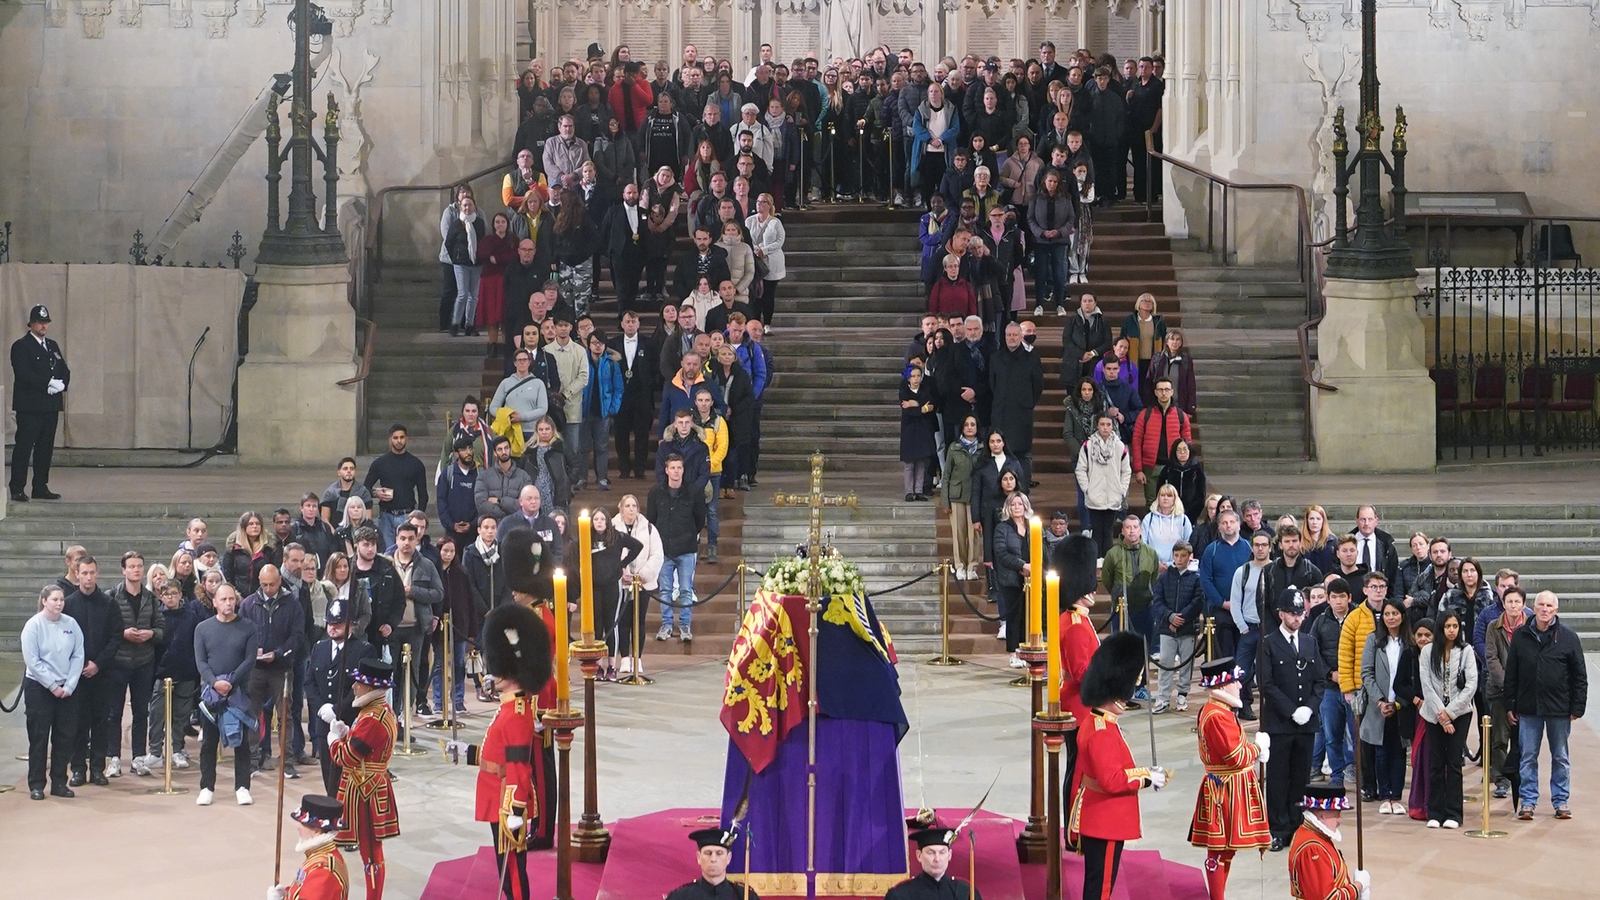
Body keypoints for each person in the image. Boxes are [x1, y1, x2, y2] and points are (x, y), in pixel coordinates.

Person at [444, 603, 553, 900]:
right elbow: (498, 756)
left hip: (507, 802)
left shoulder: (516, 712)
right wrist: (468, 752)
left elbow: (519, 766)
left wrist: (516, 810)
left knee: (513, 873)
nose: (493, 676)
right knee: (506, 868)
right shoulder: (508, 706)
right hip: (498, 796)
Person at [1069, 631, 1167, 900]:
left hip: (1101, 818)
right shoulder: (1101, 730)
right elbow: (1112, 780)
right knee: (1100, 890)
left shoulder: (1098, 720)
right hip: (1106, 819)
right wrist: (1146, 777)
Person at [1188, 658, 1271, 900]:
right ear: (1223, 686)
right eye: (1234, 680)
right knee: (1219, 850)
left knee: (1226, 849)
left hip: (1229, 787)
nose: (1239, 684)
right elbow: (1236, 757)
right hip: (1225, 790)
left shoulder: (1219, 709)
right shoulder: (1217, 715)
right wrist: (1258, 749)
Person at [1504, 590, 1587, 821]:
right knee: (1528, 756)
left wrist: (1577, 707)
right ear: (1534, 606)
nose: (1544, 609)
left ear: (1556, 610)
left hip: (1559, 709)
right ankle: (1528, 801)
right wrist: (1510, 703)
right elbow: (1512, 673)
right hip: (1529, 708)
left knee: (1560, 756)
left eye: (1549, 606)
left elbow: (1579, 675)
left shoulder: (1569, 637)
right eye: (1541, 605)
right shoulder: (1521, 636)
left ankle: (1561, 801)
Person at [327, 657, 400, 900]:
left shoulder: (372, 719)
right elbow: (365, 745)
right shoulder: (378, 711)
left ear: (369, 687)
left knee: (370, 852)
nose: (354, 687)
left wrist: (334, 740)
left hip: (363, 790)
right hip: (369, 785)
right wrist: (348, 733)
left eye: (358, 683)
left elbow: (346, 757)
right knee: (369, 850)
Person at [1258, 588, 1324, 851]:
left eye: (1301, 614)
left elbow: (1319, 681)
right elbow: (1266, 684)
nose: (1298, 619)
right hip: (1280, 724)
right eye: (1293, 614)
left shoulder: (1309, 642)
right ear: (1281, 614)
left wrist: (1309, 708)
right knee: (1277, 778)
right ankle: (1277, 828)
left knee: (1301, 778)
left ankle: (1297, 827)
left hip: (1306, 724)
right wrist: (1290, 710)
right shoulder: (1268, 643)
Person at [194, 584, 259, 806]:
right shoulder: (202, 628)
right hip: (212, 694)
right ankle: (206, 787)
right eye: (223, 599)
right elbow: (201, 662)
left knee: (241, 742)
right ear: (214, 602)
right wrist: (215, 683)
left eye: (231, 599)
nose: (228, 603)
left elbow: (249, 660)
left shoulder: (248, 627)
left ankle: (242, 786)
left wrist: (230, 682)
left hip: (238, 691)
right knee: (208, 743)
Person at [62, 555, 123, 787]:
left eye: (92, 573)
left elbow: (116, 636)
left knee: (100, 721)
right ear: (77, 574)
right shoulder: (68, 604)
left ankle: (98, 769)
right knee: (78, 722)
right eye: (83, 573)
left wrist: (98, 663)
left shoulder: (109, 603)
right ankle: (78, 768)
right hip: (75, 675)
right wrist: (78, 666)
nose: (88, 577)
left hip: (102, 672)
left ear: (97, 573)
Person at [1416, 610, 1477, 828]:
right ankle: (1435, 812)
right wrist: (1441, 716)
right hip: (1433, 715)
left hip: (1459, 714)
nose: (1451, 630)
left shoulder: (1466, 650)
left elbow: (1471, 685)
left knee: (1453, 763)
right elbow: (1427, 686)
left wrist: (1450, 713)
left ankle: (1454, 813)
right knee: (1435, 764)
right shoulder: (1427, 652)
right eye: (1447, 627)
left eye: (1455, 626)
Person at [22, 583, 83, 800]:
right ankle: (37, 784)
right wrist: (52, 686)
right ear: (44, 601)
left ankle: (59, 782)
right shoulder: (33, 626)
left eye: (62, 600)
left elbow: (78, 655)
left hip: (66, 690)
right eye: (55, 599)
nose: (59, 603)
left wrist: (69, 686)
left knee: (64, 737)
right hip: (39, 688)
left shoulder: (71, 624)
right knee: (39, 737)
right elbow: (33, 661)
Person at [306, 599, 372, 795]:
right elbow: (309, 683)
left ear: (350, 624)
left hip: (349, 723)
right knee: (329, 773)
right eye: (330, 623)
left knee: (349, 776)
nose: (333, 628)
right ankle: (333, 812)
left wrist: (337, 710)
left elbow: (362, 690)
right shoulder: (320, 648)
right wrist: (321, 708)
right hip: (324, 723)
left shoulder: (363, 650)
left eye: (338, 624)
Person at [1357, 598, 1412, 815]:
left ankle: (1396, 796)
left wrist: (1398, 703)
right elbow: (1366, 673)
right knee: (1380, 752)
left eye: (1395, 613)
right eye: (1387, 614)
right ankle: (1384, 794)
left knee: (1398, 751)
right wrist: (1379, 700)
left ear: (1402, 616)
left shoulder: (1409, 643)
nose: (1391, 617)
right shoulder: (1373, 641)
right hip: (1377, 706)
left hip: (1401, 705)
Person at [9, 304, 69, 502]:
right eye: (40, 322)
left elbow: (63, 370)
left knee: (45, 448)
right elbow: (24, 373)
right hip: (30, 407)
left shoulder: (52, 345)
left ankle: (40, 486)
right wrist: (47, 383)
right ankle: (17, 487)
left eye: (46, 323)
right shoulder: (21, 346)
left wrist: (62, 385)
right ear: (31, 324)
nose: (43, 326)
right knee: (24, 447)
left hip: (50, 406)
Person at [649, 452, 708, 643]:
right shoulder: (655, 492)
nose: (676, 471)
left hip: (686, 549)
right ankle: (666, 624)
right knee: (665, 590)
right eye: (672, 468)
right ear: (666, 470)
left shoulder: (694, 492)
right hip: (664, 550)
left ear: (683, 470)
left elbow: (700, 519)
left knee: (685, 590)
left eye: (679, 468)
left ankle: (685, 625)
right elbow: (651, 519)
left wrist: (689, 534)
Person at [147, 578, 202, 771]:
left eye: (174, 593)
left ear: (181, 595)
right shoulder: (157, 616)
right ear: (161, 596)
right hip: (162, 673)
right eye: (166, 594)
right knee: (156, 714)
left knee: (181, 715)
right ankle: (155, 751)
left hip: (186, 672)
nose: (170, 597)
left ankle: (178, 749)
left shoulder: (192, 616)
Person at [587, 508, 643, 680]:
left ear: (608, 521)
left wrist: (621, 564)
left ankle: (612, 665)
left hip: (612, 585)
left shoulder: (617, 537)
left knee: (611, 624)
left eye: (602, 519)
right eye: (596, 519)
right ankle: (598, 665)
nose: (599, 522)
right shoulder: (587, 538)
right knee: (596, 625)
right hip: (594, 587)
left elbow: (637, 546)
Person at [1287, 786, 1371, 900]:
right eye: (1336, 814)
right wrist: (1358, 887)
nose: (1339, 819)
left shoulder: (1313, 835)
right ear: (1322, 814)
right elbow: (1327, 897)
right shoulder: (1312, 848)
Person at [1309, 579, 1354, 789]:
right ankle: (1337, 777)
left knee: (1357, 735)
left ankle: (1360, 773)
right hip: (1330, 688)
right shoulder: (1320, 621)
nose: (1338, 601)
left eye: (1342, 596)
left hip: (1354, 687)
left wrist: (1348, 676)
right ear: (1328, 599)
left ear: (1349, 597)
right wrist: (1329, 673)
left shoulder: (1358, 618)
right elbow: (1313, 651)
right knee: (1331, 735)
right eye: (1334, 597)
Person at [1484, 586, 1527, 800]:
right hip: (1500, 692)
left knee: (1523, 739)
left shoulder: (1530, 627)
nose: (1513, 606)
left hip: (1525, 693)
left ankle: (1521, 778)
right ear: (1503, 603)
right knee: (1499, 738)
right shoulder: (1494, 626)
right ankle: (1500, 779)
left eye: (1517, 602)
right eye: (1509, 601)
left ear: (1524, 605)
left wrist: (1520, 689)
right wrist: (1507, 687)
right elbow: (1491, 659)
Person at [1150, 541, 1203, 714]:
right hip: (1167, 627)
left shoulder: (1196, 578)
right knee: (1165, 662)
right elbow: (1157, 600)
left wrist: (1182, 618)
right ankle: (1163, 697)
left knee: (1186, 663)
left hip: (1187, 628)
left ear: (1190, 556)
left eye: (1183, 556)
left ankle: (1182, 694)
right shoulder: (1165, 577)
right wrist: (1170, 617)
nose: (1179, 559)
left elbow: (1198, 601)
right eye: (1176, 556)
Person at [267, 794, 351, 900]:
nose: (298, 827)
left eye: (302, 824)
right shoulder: (321, 855)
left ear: (316, 830)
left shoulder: (323, 871)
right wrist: (288, 893)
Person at [364, 425, 430, 551]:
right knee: (386, 553)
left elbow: (423, 494)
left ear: (407, 439)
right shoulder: (380, 463)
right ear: (390, 440)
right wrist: (375, 493)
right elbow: (365, 487)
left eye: (401, 437)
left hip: (407, 515)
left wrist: (419, 516)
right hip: (385, 516)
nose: (399, 441)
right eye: (395, 438)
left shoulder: (416, 464)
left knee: (407, 551)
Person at [1131, 378, 1192, 508]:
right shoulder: (1145, 415)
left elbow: (1188, 445)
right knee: (1151, 503)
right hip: (1151, 468)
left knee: (1174, 504)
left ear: (1172, 392)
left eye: (1166, 390)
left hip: (1174, 467)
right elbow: (1136, 442)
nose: (1163, 393)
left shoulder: (1181, 416)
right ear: (1155, 392)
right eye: (1160, 390)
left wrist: (1186, 467)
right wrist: (1138, 470)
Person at [1076, 415, 1130, 556]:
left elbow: (1126, 471)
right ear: (1097, 426)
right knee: (1097, 532)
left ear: (1112, 426)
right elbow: (1080, 469)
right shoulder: (1088, 446)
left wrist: (1122, 490)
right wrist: (1087, 489)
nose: (1105, 427)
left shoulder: (1120, 446)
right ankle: (1095, 563)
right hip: (1095, 497)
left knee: (1108, 533)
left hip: (1113, 496)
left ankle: (1107, 564)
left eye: (1108, 424)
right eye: (1102, 424)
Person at [993, 491, 1034, 667]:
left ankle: (1026, 650)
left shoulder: (1033, 526)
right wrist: (1021, 566)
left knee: (1029, 615)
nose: (1017, 507)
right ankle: (1014, 652)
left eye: (1020, 504)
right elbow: (1001, 554)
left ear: (1025, 506)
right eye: (1013, 504)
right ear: (1008, 507)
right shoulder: (1002, 528)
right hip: (1011, 578)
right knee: (1014, 616)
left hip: (1031, 578)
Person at [940, 415, 983, 581]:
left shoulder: (982, 447)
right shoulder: (954, 447)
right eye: (966, 424)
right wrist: (945, 500)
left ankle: (972, 566)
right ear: (962, 428)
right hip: (956, 496)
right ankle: (960, 566)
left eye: (973, 424)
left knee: (974, 534)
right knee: (958, 533)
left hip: (975, 497)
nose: (970, 427)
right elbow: (946, 475)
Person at [885, 827, 983, 900]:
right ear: (919, 855)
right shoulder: (900, 894)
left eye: (942, 852)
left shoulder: (966, 892)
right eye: (930, 853)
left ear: (949, 855)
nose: (937, 859)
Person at [664, 827, 760, 900]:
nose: (713, 859)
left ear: (728, 858)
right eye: (708, 853)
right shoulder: (680, 897)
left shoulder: (745, 896)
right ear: (698, 857)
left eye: (719, 853)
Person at [581, 331, 624, 490]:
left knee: (601, 447)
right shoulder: (581, 361)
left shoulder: (612, 363)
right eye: (594, 343)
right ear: (588, 344)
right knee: (583, 448)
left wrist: (613, 408)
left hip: (603, 412)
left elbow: (618, 389)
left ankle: (602, 478)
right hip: (584, 411)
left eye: (600, 343)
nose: (597, 346)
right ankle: (581, 479)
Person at [445, 193, 487, 336]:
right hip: (461, 263)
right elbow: (448, 243)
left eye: (470, 205)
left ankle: (470, 324)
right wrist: (456, 257)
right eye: (465, 205)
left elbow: (482, 241)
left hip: (476, 263)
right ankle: (455, 323)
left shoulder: (479, 223)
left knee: (473, 295)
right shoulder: (456, 224)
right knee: (462, 294)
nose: (467, 207)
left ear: (474, 206)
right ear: (461, 207)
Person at [900, 366, 938, 502]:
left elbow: (930, 407)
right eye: (913, 376)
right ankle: (909, 491)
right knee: (910, 463)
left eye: (918, 376)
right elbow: (907, 411)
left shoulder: (926, 390)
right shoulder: (904, 391)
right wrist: (921, 408)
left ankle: (918, 490)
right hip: (909, 430)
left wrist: (916, 405)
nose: (916, 379)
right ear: (908, 378)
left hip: (923, 429)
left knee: (921, 462)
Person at [1157, 439, 1205, 525]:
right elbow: (1159, 490)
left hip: (1191, 515)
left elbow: (1201, 496)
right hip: (1170, 514)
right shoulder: (1168, 468)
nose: (1182, 452)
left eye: (1185, 449)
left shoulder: (1197, 469)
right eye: (1179, 450)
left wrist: (1191, 514)